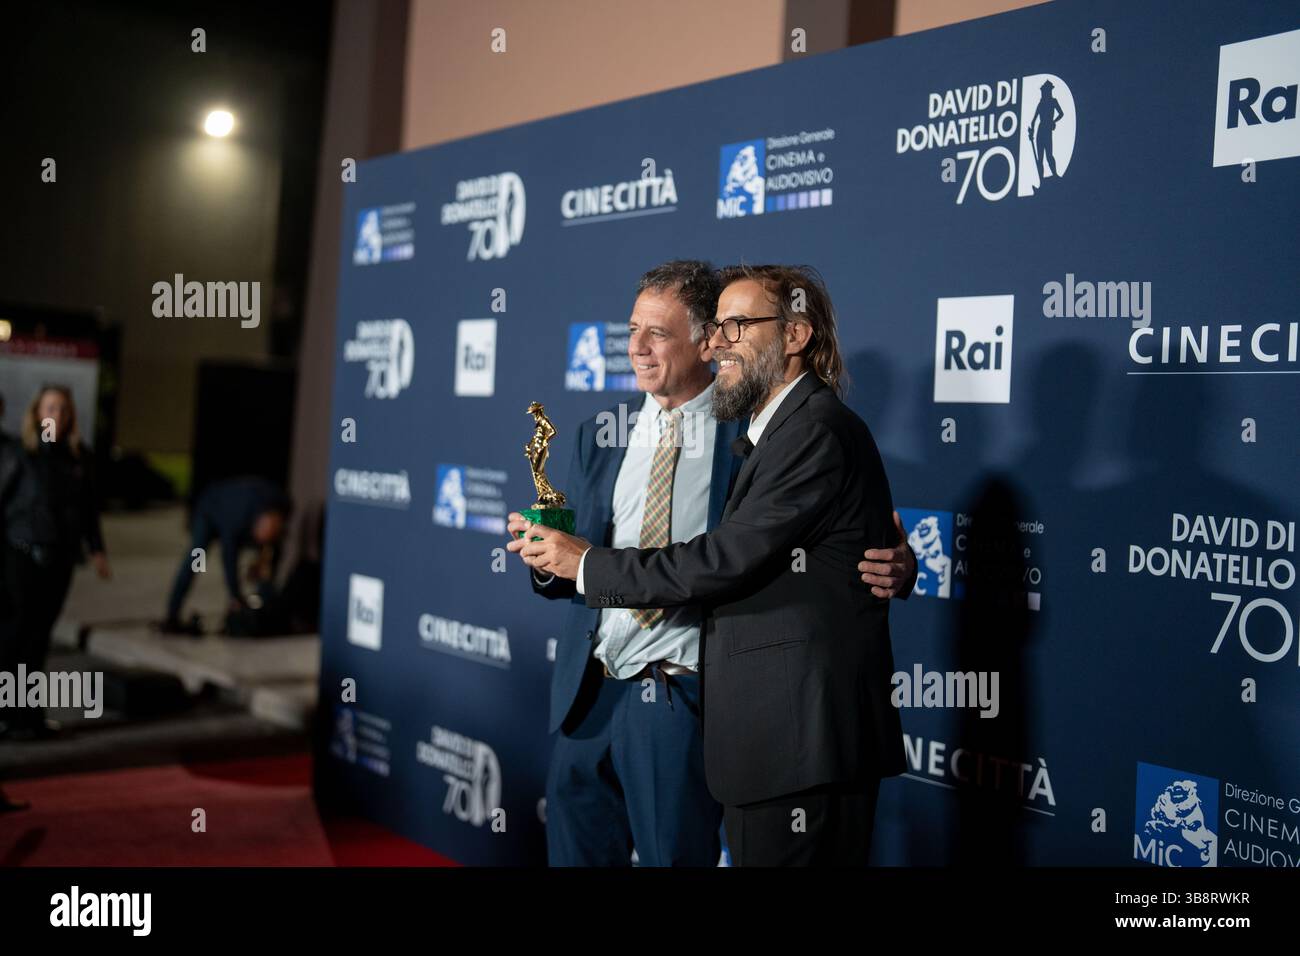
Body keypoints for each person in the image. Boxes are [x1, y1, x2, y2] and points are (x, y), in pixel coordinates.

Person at [507, 261, 915, 866]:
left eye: (660, 333)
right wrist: (552, 561)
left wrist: (895, 561)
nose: (638, 349)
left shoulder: (747, 435)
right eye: (631, 330)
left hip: (684, 696)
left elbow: (742, 552)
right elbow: (575, 557)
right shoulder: (602, 433)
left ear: (702, 342)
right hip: (590, 694)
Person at [0, 385, 111, 741]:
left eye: (63, 409)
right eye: (50, 408)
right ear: (37, 413)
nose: (57, 415)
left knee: (38, 640)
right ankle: (6, 716)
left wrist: (97, 550)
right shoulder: (20, 454)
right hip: (20, 556)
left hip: (59, 561)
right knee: (13, 638)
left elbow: (88, 510)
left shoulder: (79, 460)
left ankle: (29, 718)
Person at [160, 476, 290, 636]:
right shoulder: (238, 519)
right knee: (196, 560)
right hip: (208, 512)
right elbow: (229, 557)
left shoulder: (281, 507)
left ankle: (262, 609)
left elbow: (272, 552)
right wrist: (234, 595)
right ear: (257, 524)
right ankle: (172, 615)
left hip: (239, 507)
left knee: (264, 562)